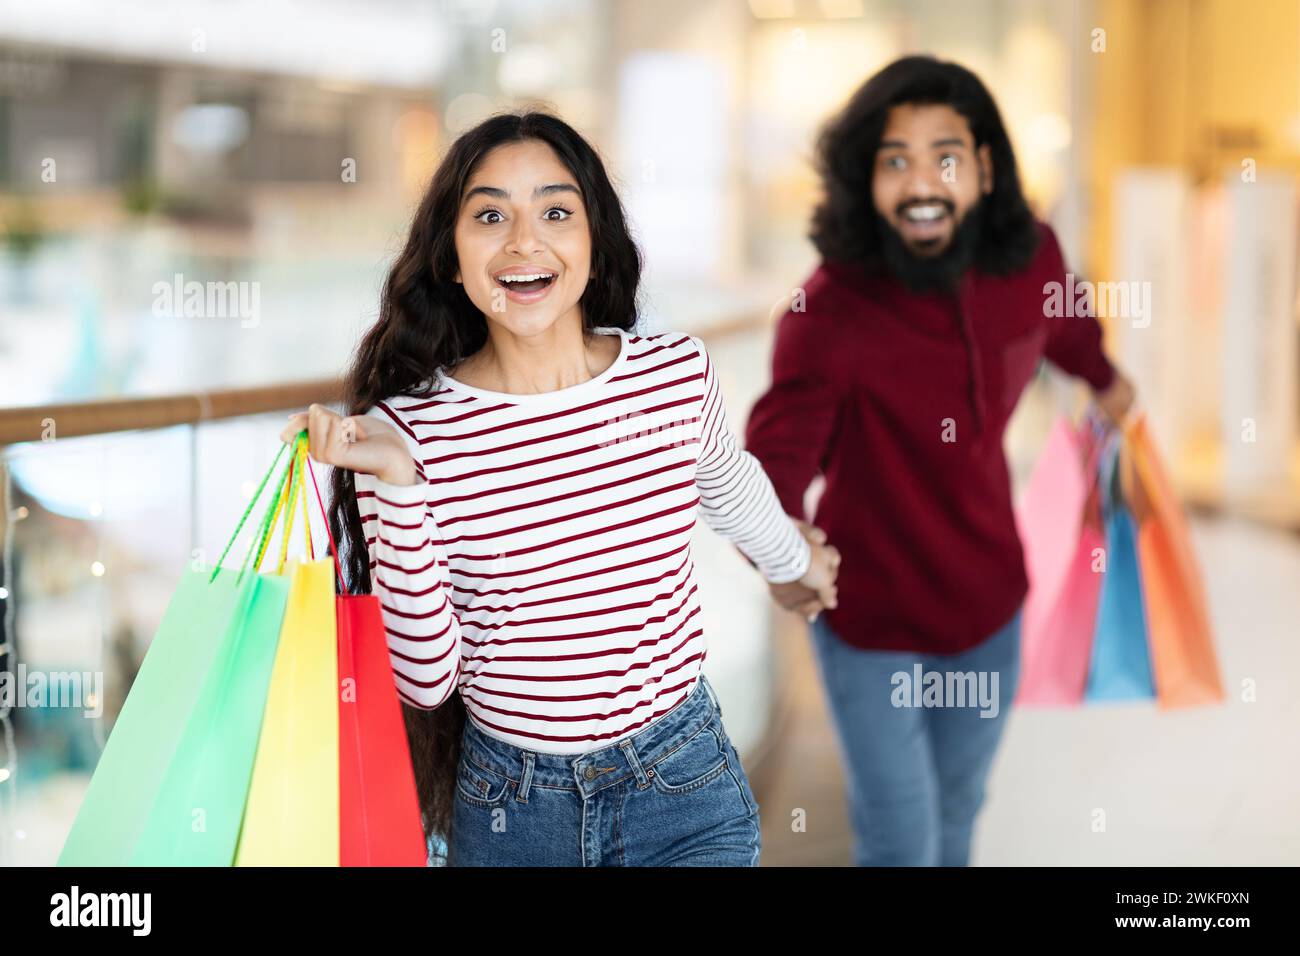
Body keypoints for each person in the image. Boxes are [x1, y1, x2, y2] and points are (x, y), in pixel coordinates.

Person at [283, 111, 840, 866]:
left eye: (555, 211)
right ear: (450, 257)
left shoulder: (673, 374)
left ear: (592, 240)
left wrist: (795, 566)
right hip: (513, 811)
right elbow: (424, 680)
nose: (523, 241)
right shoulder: (406, 435)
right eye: (489, 215)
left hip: (682, 784)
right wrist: (402, 483)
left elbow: (728, 486)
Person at [743, 55, 1136, 867]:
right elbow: (775, 460)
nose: (923, 180)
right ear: (868, 179)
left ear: (986, 168)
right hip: (872, 622)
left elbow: (1065, 329)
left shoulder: (1031, 260)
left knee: (958, 815)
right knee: (900, 841)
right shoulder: (830, 311)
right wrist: (783, 551)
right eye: (896, 160)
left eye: (946, 156)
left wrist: (1105, 381)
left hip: (991, 607)